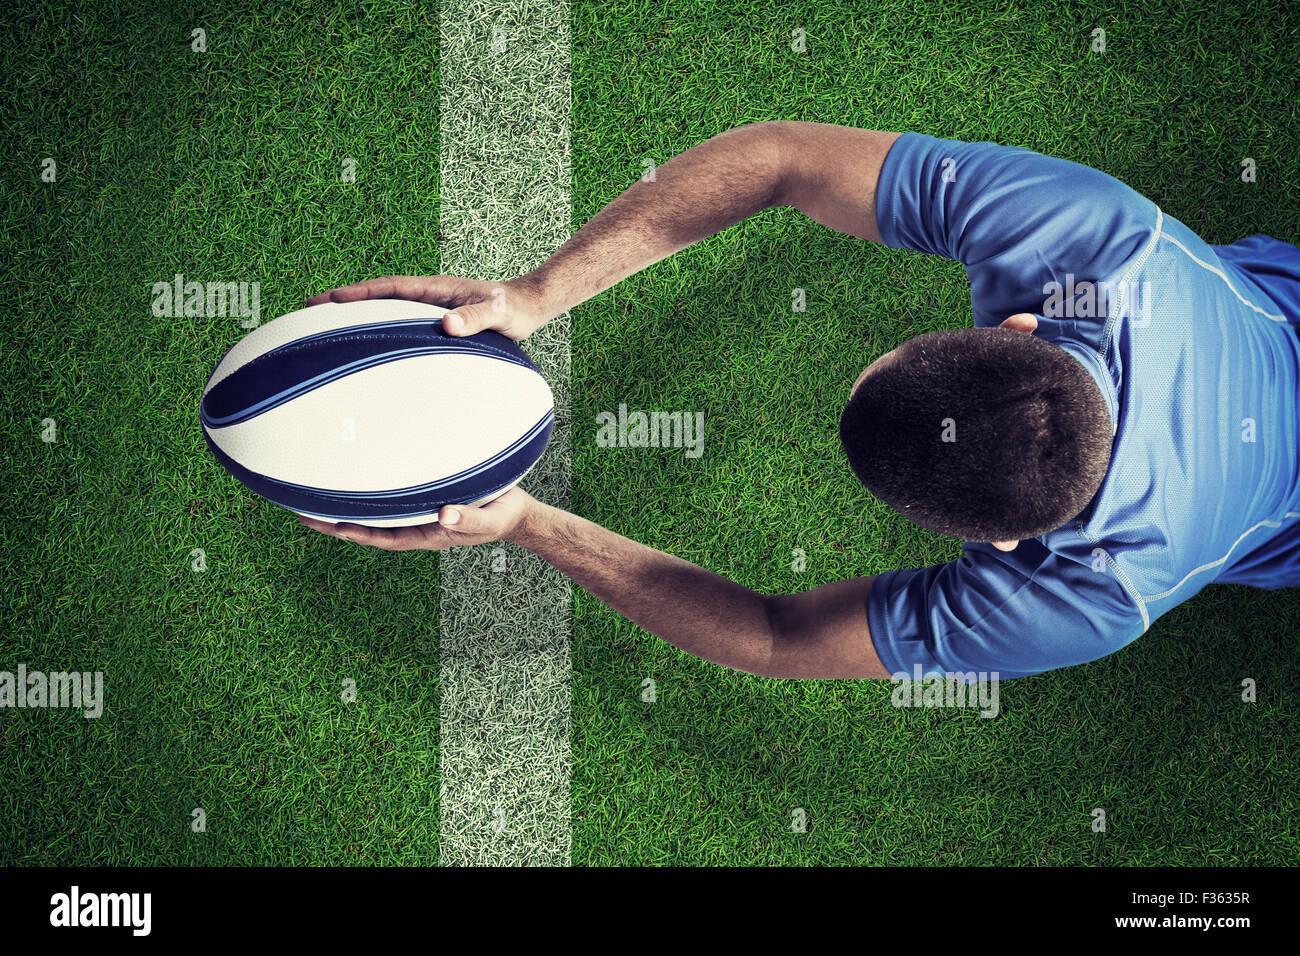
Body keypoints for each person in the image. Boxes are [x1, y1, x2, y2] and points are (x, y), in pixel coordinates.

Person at [301, 121, 1300, 680]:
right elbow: (780, 159)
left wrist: (528, 518)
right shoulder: (1104, 249)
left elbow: (781, 637)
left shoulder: (1091, 237)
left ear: (1018, 327)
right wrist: (532, 296)